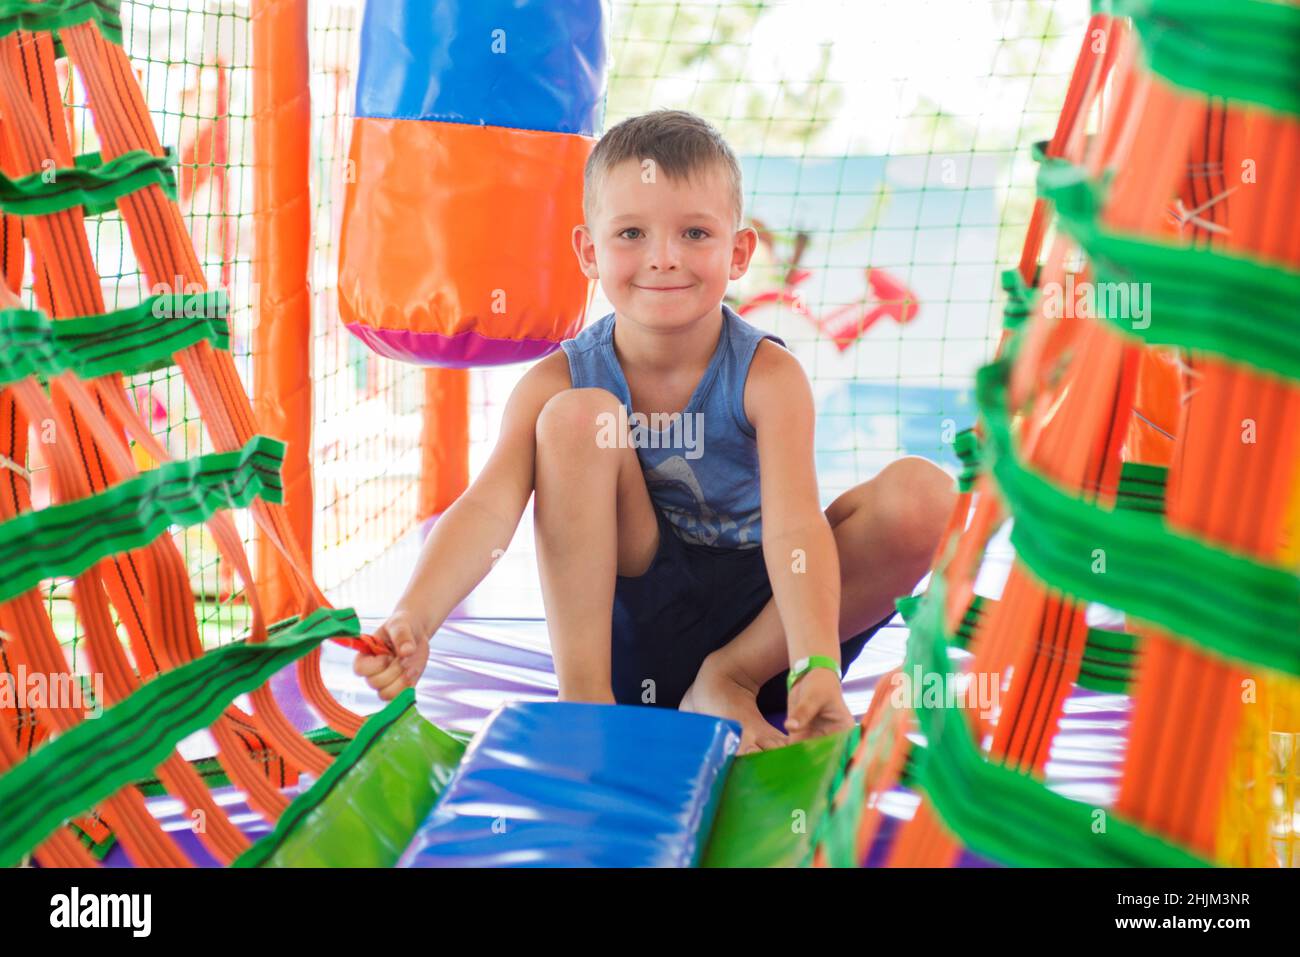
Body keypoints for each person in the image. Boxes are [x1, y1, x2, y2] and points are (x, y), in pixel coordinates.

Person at [354, 109, 956, 753]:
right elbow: (487, 506)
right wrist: (415, 616)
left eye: (695, 232)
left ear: (739, 251)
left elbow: (795, 530)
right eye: (632, 233)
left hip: (770, 639)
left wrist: (814, 663)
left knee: (925, 495)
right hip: (635, 639)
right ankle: (584, 703)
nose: (664, 258)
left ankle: (727, 680)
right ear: (589, 252)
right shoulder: (558, 381)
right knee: (578, 419)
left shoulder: (769, 376)